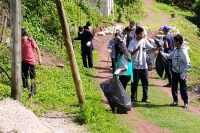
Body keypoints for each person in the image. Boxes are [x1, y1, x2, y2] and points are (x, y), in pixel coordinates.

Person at [128, 27, 160, 102]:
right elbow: (130, 53)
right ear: (136, 34)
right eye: (140, 34)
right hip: (135, 66)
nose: (142, 35)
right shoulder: (132, 42)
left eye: (142, 34)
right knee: (134, 83)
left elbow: (152, 48)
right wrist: (137, 49)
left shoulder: (144, 41)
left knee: (145, 82)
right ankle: (133, 97)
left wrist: (159, 48)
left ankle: (145, 98)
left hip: (144, 66)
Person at [160, 34, 191, 108]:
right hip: (174, 72)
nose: (173, 42)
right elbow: (170, 56)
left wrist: (184, 73)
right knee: (174, 87)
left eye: (174, 41)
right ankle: (175, 101)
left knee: (183, 88)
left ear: (178, 42)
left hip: (181, 73)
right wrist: (162, 53)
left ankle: (185, 102)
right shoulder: (175, 50)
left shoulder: (184, 52)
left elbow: (188, 64)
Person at [21, 28, 42, 97]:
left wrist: (39, 58)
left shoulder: (30, 40)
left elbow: (37, 48)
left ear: (25, 35)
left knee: (32, 77)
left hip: (31, 62)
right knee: (24, 76)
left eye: (22, 36)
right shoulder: (19, 41)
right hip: (23, 61)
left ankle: (33, 91)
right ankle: (25, 88)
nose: (22, 38)